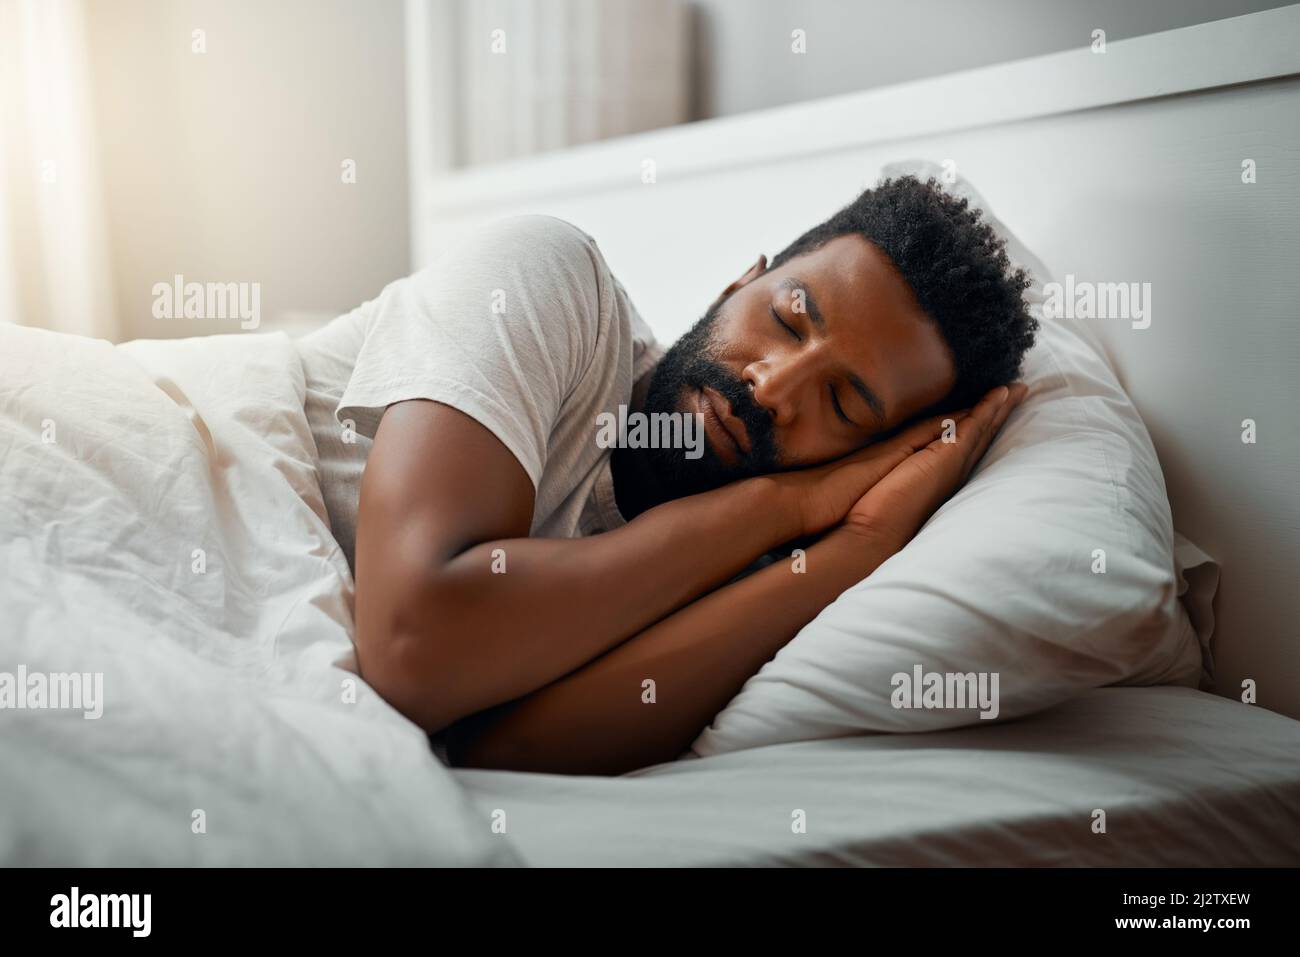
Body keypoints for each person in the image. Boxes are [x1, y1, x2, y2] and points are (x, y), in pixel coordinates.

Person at [294, 175, 1036, 775]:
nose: (772, 390)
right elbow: (414, 645)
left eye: (841, 402)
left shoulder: (746, 573)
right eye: (786, 319)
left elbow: (503, 749)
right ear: (739, 283)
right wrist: (789, 501)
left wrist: (857, 546)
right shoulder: (551, 280)